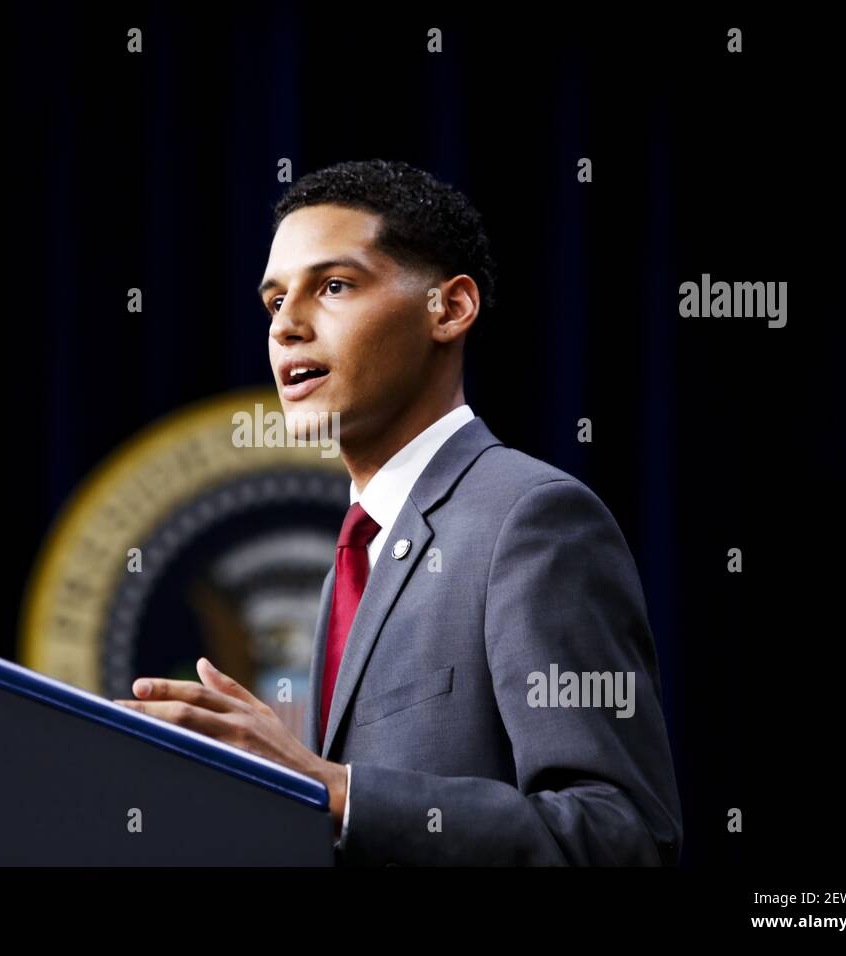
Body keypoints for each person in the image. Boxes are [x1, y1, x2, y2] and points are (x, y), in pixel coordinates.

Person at [115, 159, 683, 865]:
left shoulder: (532, 520)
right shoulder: (351, 564)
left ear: (449, 308)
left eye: (333, 286)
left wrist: (337, 790)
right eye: (272, 302)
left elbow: (621, 836)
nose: (287, 326)